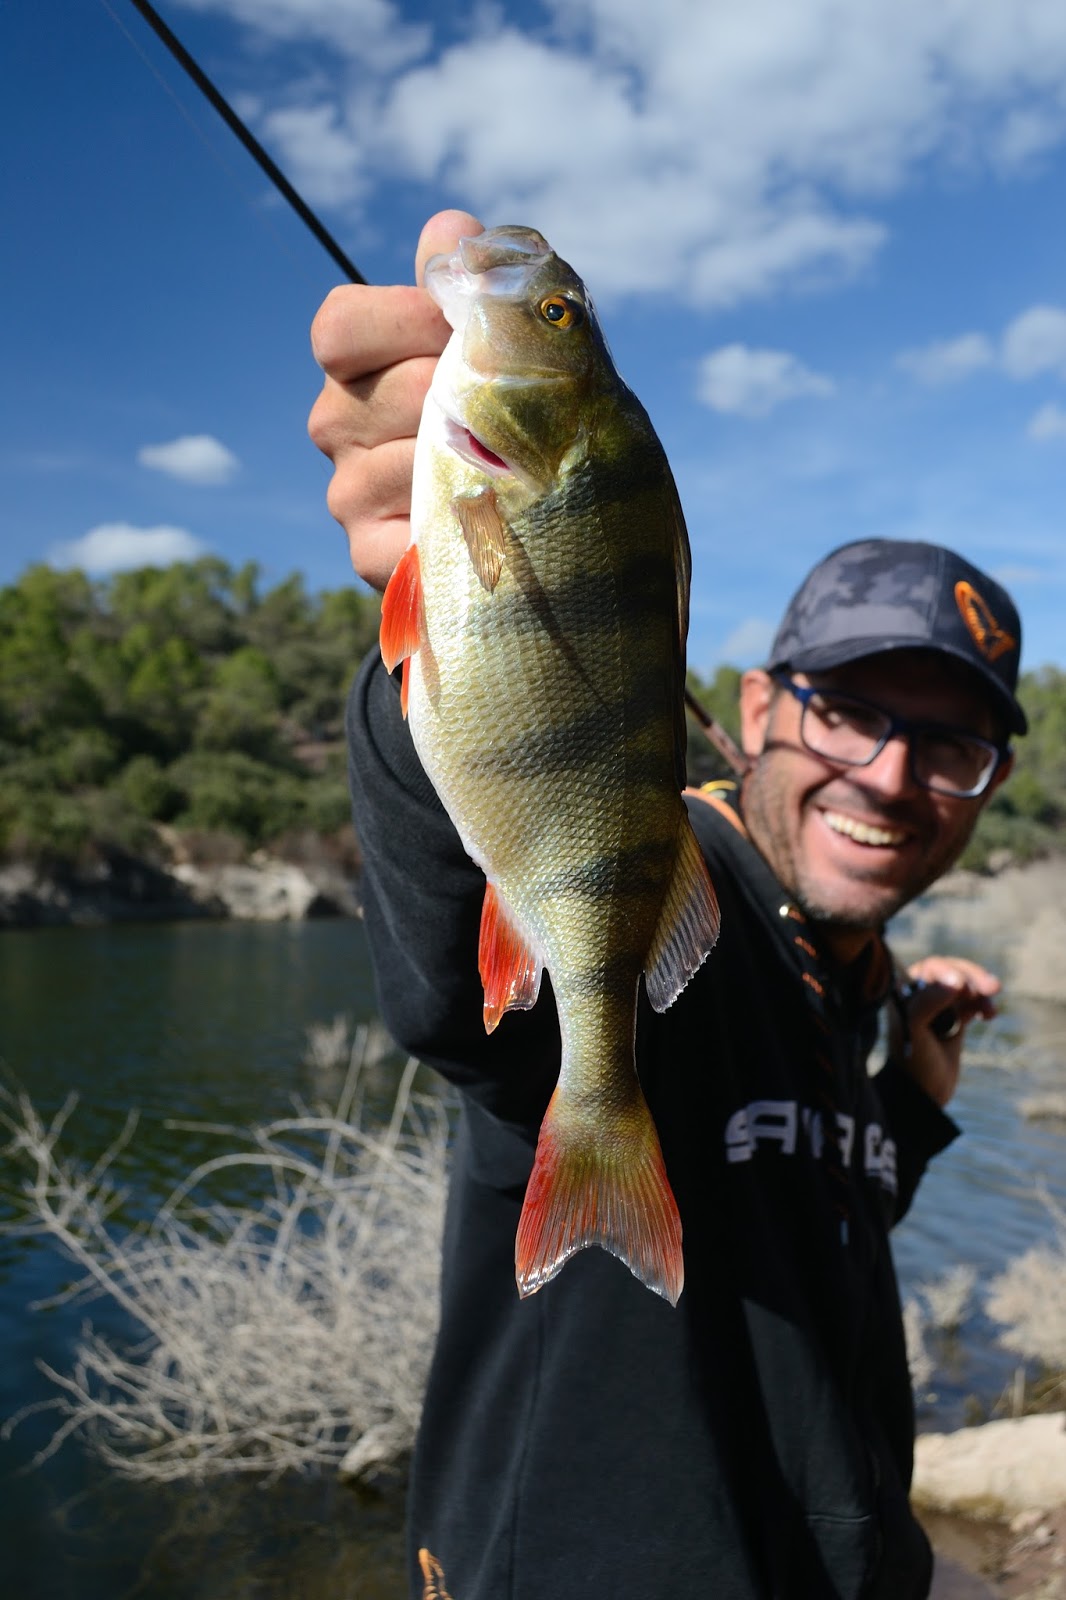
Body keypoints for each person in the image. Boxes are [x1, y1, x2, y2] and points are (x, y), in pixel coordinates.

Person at [308, 212, 1026, 1600]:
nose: (889, 776)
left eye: (949, 745)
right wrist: (430, 660)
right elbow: (474, 1017)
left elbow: (802, 1201)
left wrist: (911, 1103)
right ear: (757, 708)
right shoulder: (680, 905)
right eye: (851, 711)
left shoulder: (854, 985)